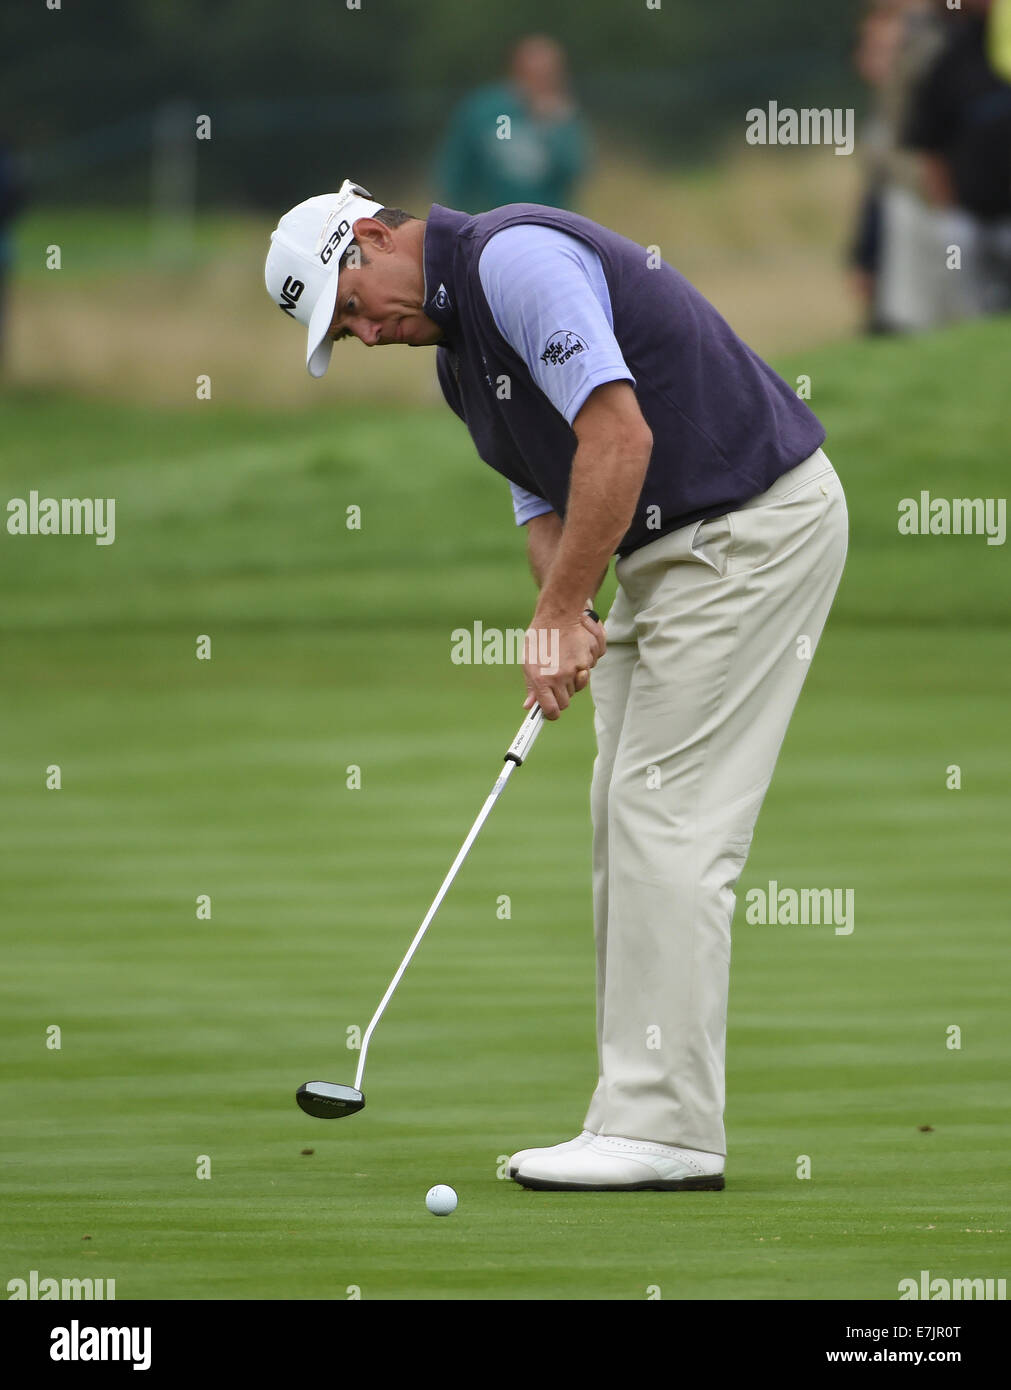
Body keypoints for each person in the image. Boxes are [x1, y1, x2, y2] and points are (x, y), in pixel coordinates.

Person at [264, 180, 848, 1192]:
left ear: (366, 238)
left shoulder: (513, 263)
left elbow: (619, 437)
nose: (361, 334)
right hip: (672, 554)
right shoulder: (459, 365)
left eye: (349, 308)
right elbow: (546, 496)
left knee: (665, 817)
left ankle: (667, 1132)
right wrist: (566, 613)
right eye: (341, 331)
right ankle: (633, 1114)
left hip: (752, 528)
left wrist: (555, 616)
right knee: (620, 817)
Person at [434, 34, 589, 213]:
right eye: (535, 74)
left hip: (545, 220)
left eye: (549, 75)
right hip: (487, 220)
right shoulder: (485, 110)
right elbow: (455, 168)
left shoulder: (563, 116)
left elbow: (574, 170)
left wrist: (554, 129)